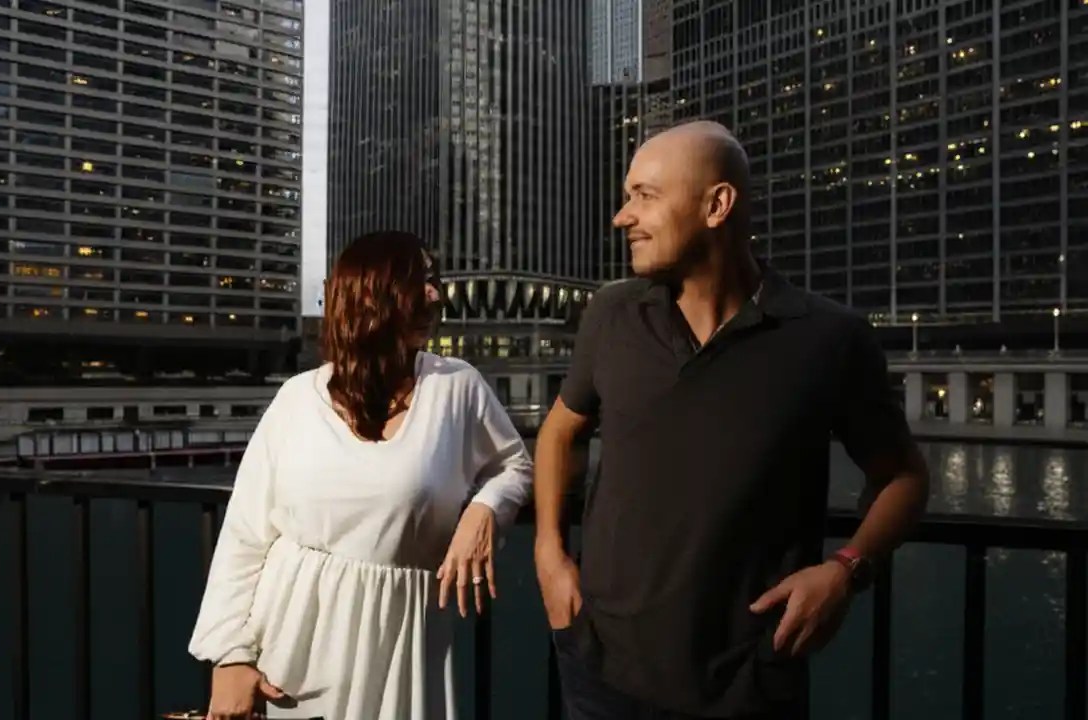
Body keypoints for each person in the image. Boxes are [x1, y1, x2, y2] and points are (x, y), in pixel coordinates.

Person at [533, 121, 930, 719]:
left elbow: (904, 478)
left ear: (717, 205)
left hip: (749, 682)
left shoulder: (829, 338)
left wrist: (845, 572)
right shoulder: (610, 315)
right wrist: (548, 551)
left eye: (645, 195)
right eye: (626, 195)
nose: (622, 216)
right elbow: (562, 428)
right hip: (598, 665)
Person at [189, 230, 533, 720]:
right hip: (288, 649)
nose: (435, 294)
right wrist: (231, 656)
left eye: (435, 281)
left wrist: (485, 508)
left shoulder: (455, 386)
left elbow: (515, 464)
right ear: (372, 292)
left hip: (403, 647)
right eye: (420, 280)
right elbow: (246, 535)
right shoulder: (296, 398)